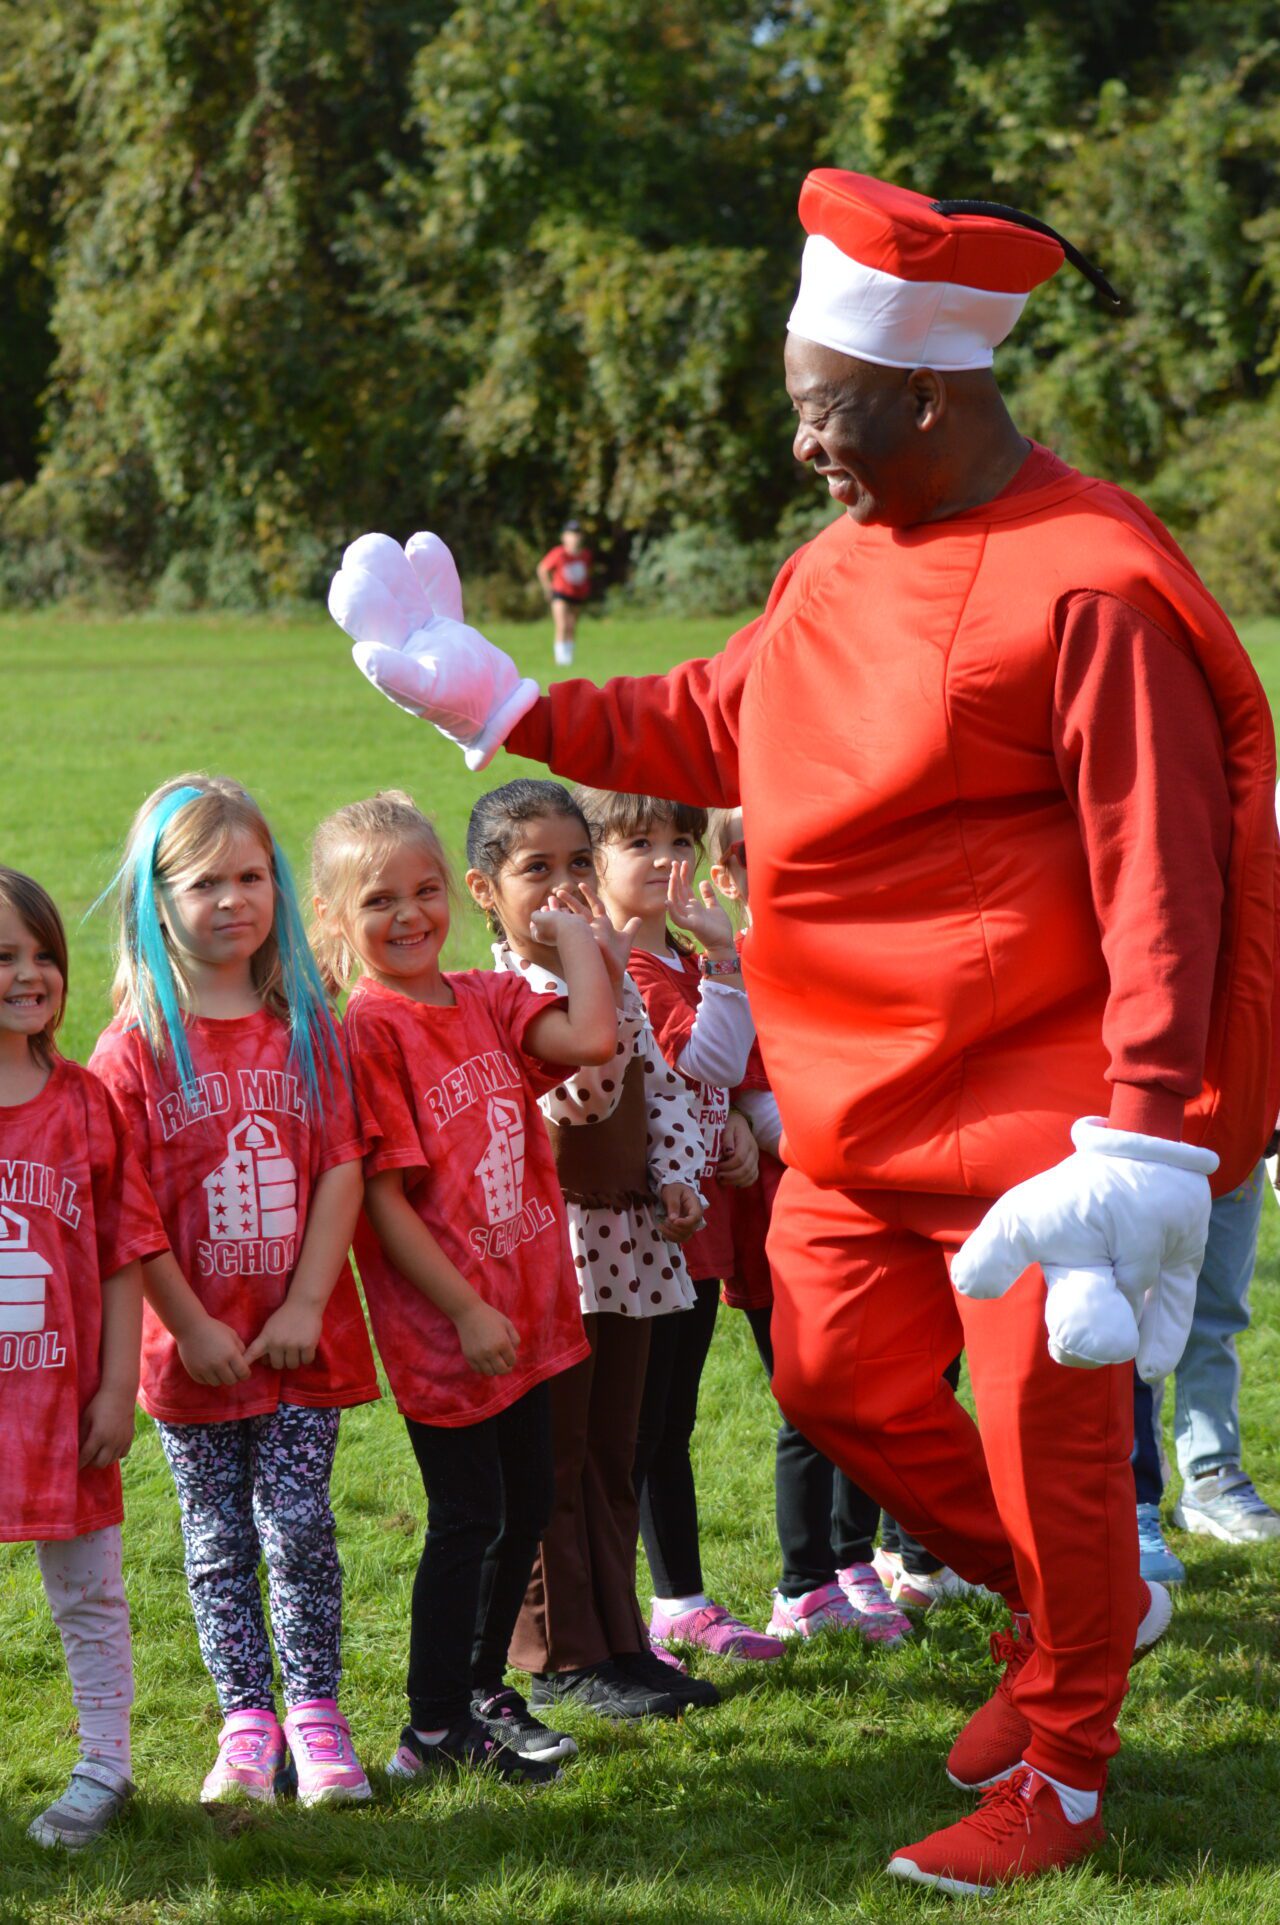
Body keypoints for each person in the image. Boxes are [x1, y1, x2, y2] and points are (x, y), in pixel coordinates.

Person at [329, 168, 1279, 1893]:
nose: (802, 445)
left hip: (1043, 1143)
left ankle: (1066, 1757)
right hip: (855, 1108)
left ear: (930, 388)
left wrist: (1148, 1128)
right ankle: (1079, 1619)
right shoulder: (840, 561)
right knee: (836, 1384)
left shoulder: (1092, 582)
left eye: (823, 411)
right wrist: (502, 692)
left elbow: (1170, 873)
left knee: (1044, 1443)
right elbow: (719, 712)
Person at [312, 790, 618, 1784]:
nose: (408, 916)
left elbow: (590, 1039)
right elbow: (386, 1203)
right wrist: (463, 1306)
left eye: (425, 890)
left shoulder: (481, 997)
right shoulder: (371, 1027)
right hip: (455, 1330)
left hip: (527, 1311)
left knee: (526, 1499)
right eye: (379, 902)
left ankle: (483, 1692)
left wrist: (572, 930)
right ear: (337, 920)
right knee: (466, 1518)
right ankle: (433, 1723)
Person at [89, 775, 377, 1809]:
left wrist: (304, 1302)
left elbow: (343, 1163)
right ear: (154, 900)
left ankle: (317, 1711)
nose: (232, 898)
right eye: (203, 880)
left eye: (251, 874)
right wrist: (189, 1320)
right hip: (196, 1348)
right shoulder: (134, 1050)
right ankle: (246, 1720)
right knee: (215, 1540)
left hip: (302, 1339)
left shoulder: (307, 1024)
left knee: (297, 1524)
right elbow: (125, 1210)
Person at [465, 777, 719, 1723]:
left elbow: (662, 1082)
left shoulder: (598, 974)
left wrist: (681, 1172)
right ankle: (563, 1650)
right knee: (557, 1456)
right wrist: (595, 975)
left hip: (633, 1240)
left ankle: (622, 1635)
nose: (565, 886)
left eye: (580, 863)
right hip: (555, 1250)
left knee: (620, 1446)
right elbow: (578, 1096)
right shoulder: (506, 998)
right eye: (538, 869)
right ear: (487, 890)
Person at [578, 788, 785, 1663]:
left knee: (670, 1422)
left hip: (697, 1226)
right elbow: (702, 1056)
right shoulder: (622, 966)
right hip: (636, 1230)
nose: (666, 859)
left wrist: (737, 1116)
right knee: (631, 1430)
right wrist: (727, 960)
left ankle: (677, 1602)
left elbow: (722, 1074)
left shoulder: (687, 960)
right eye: (641, 842)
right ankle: (637, 1613)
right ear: (596, 859)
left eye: (679, 840)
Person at [705, 809, 912, 1645]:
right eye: (760, 854)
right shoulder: (738, 960)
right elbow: (753, 1100)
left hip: (861, 1203)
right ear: (725, 872)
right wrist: (843, 1142)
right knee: (810, 1396)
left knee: (862, 1387)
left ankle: (853, 1557)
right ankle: (802, 1581)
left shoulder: (840, 947)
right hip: (783, 1215)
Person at [0, 869, 162, 1849]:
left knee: (90, 1590)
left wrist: (116, 1387)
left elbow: (124, 1252)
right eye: (2, 957)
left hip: (64, 1402)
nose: (28, 973)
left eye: (41, 954)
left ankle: (106, 1762)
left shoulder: (85, 1101)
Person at [1133, 1158, 1279, 1584]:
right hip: (1152, 1136)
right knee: (1140, 1313)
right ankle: (1136, 1484)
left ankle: (1211, 1475)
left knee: (1218, 1312)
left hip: (1242, 1142)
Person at [537, 521, 593, 668]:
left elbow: (584, 574)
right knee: (561, 624)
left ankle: (568, 657)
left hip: (576, 594)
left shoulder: (585, 555)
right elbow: (542, 569)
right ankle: (560, 660)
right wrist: (547, 588)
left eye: (577, 534)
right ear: (564, 537)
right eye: (571, 534)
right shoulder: (559, 553)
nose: (574, 538)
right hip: (560, 593)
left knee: (571, 626)